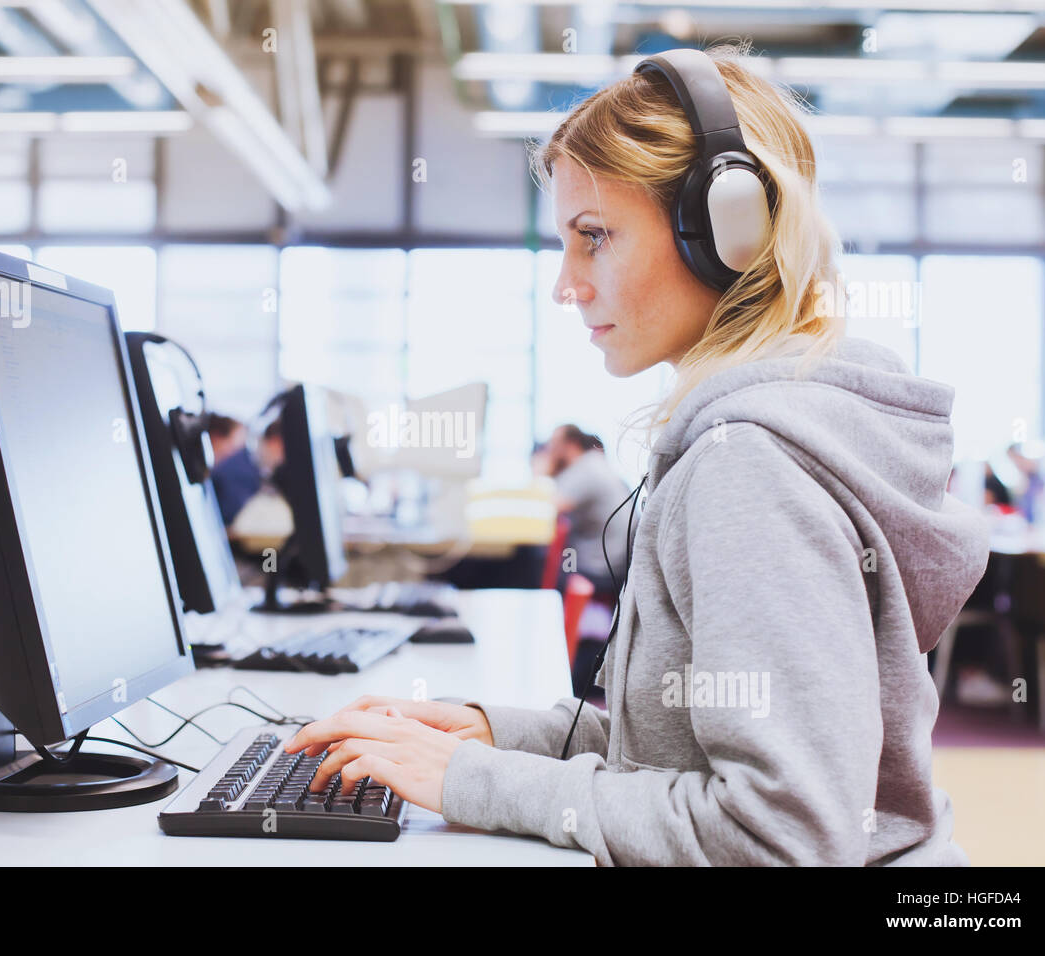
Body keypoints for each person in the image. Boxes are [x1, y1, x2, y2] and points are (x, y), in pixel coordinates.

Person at [284, 43, 988, 866]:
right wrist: (487, 736)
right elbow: (675, 748)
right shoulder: (764, 432)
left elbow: (785, 836)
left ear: (724, 232)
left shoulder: (749, 465)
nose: (566, 284)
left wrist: (474, 782)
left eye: (594, 237)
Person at [543, 424, 631, 593]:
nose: (549, 448)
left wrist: (543, 471)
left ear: (571, 444)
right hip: (615, 558)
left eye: (554, 443)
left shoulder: (586, 469)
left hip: (600, 565)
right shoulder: (593, 463)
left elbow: (550, 509)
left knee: (539, 563)